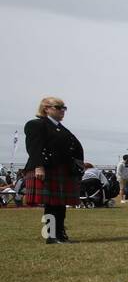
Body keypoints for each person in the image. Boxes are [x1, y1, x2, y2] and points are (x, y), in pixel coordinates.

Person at [23, 96, 83, 244]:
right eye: (58, 107)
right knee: (51, 203)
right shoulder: (36, 124)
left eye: (64, 108)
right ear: (46, 109)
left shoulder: (62, 129)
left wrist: (78, 165)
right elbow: (34, 147)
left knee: (60, 204)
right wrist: (39, 166)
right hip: (47, 168)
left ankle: (60, 233)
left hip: (63, 169)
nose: (62, 110)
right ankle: (51, 235)